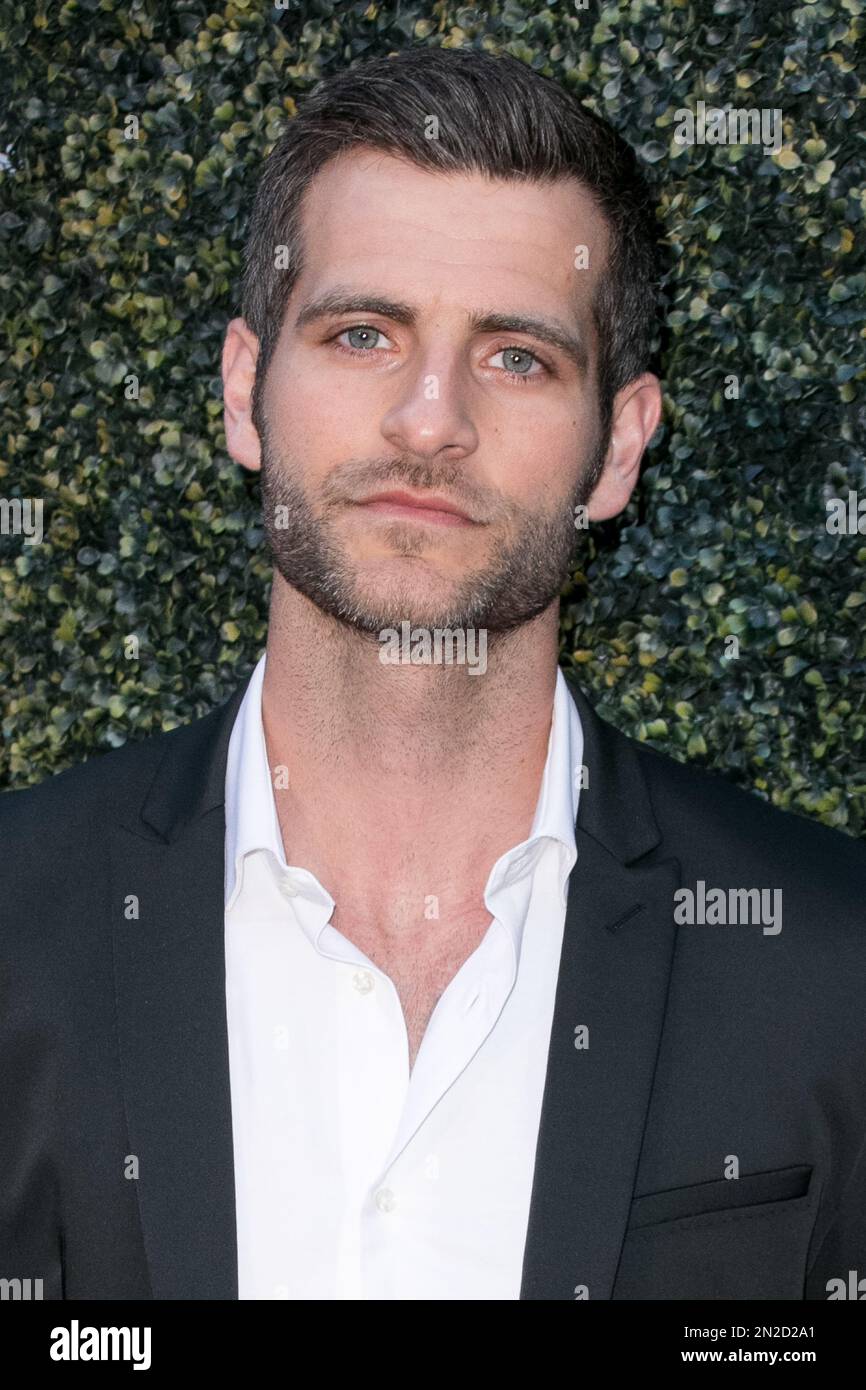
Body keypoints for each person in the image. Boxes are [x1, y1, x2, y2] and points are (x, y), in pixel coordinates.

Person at [1, 46, 864, 1302]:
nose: (427, 418)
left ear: (617, 449)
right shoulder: (18, 928)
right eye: (362, 334)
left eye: (516, 357)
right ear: (247, 390)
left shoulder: (829, 966)